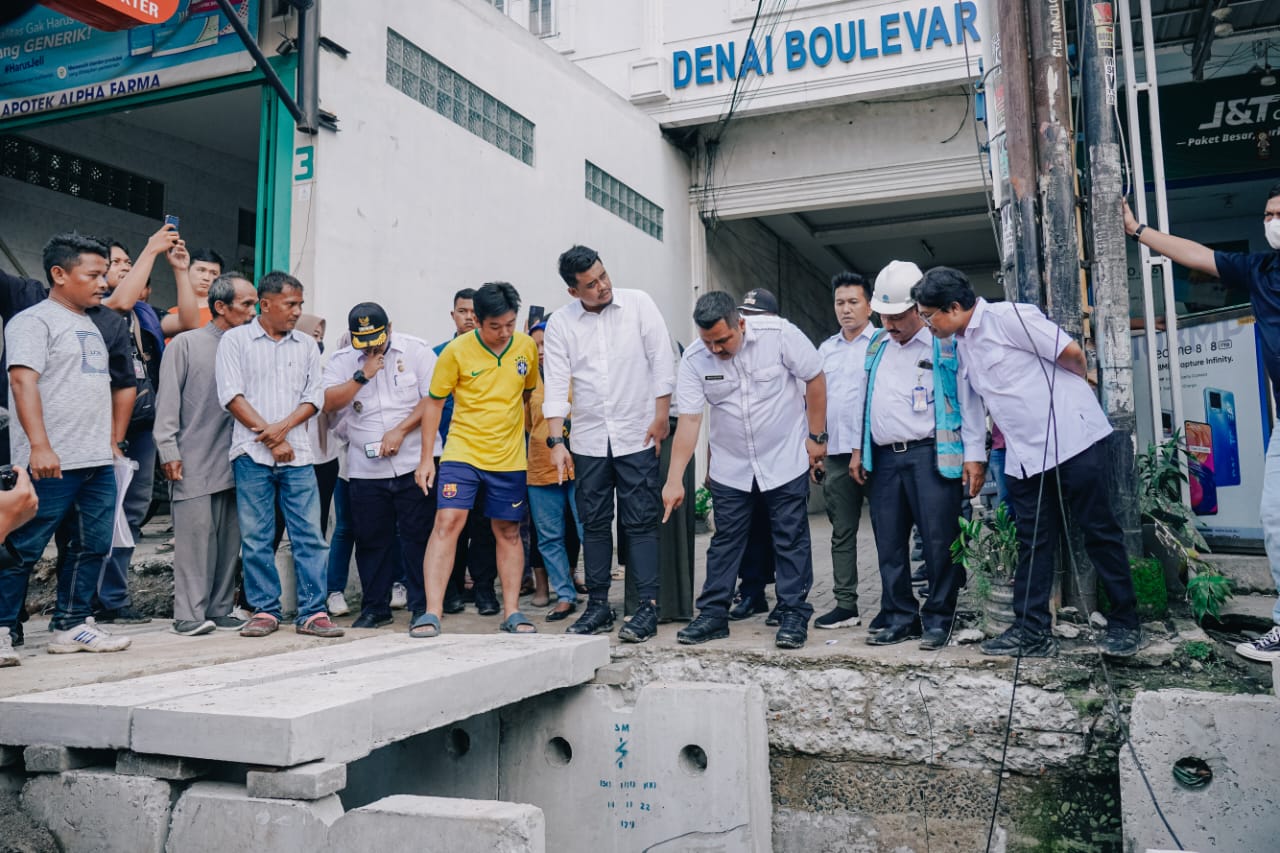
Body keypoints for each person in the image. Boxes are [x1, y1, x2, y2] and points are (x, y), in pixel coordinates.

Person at [912, 265, 1142, 657]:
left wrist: (1068, 400)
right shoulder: (961, 343)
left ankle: (1125, 624)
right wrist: (976, 458)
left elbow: (1069, 354)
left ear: (953, 307)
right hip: (1023, 455)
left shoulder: (1008, 317)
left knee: (1098, 531)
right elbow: (973, 408)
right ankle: (1032, 630)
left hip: (1073, 439)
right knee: (1032, 542)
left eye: (927, 315)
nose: (925, 323)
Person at [1123, 193, 1280, 662]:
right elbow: (1197, 255)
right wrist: (1137, 231)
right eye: (1268, 213)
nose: (1272, 221)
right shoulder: (1261, 270)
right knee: (1275, 521)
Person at [662, 291, 827, 650]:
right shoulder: (694, 359)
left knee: (790, 537)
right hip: (731, 465)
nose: (717, 350)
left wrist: (816, 437)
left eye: (723, 340)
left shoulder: (779, 335)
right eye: (709, 343)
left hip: (783, 457)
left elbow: (814, 377)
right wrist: (675, 478)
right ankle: (712, 615)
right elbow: (690, 421)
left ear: (741, 323)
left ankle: (794, 613)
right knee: (725, 542)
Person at [0, 234, 131, 657]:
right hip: (48, 461)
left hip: (95, 460)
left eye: (104, 274)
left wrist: (110, 444)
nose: (104, 283)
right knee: (22, 549)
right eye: (93, 275)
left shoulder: (91, 323)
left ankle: (73, 624)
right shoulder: (32, 321)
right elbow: (22, 381)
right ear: (59, 274)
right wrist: (39, 446)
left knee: (91, 545)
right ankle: (2, 629)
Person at [848, 261, 987, 649]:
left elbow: (969, 400)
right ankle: (899, 616)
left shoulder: (946, 343)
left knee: (940, 540)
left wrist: (974, 454)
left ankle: (940, 617)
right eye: (883, 316)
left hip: (932, 455)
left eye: (898, 317)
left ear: (918, 309)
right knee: (889, 543)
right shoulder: (876, 344)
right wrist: (859, 449)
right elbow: (863, 398)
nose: (889, 325)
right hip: (885, 459)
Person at [543, 245, 675, 642]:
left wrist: (661, 416)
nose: (602, 286)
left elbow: (662, 361)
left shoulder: (639, 304)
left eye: (603, 276)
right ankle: (598, 606)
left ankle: (646, 607)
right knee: (595, 523)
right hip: (588, 439)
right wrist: (555, 440)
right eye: (591, 283)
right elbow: (556, 383)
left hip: (638, 433)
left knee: (640, 521)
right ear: (573, 291)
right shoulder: (561, 324)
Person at [216, 270, 344, 639]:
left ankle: (313, 611)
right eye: (290, 304)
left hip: (299, 457)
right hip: (251, 455)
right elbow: (231, 396)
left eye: (300, 304)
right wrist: (273, 439)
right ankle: (265, 610)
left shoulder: (305, 345)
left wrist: (281, 431)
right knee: (257, 536)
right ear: (266, 303)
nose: (296, 311)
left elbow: (313, 399)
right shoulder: (236, 341)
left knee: (308, 536)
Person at [412, 282, 540, 638]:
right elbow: (434, 404)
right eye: (494, 326)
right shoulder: (455, 352)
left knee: (508, 531)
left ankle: (512, 611)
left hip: (508, 457)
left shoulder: (526, 348)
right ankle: (432, 612)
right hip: (462, 451)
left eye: (510, 324)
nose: (503, 333)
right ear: (476, 320)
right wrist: (426, 459)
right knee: (447, 522)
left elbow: (529, 394)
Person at [155, 273, 259, 635]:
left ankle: (220, 607)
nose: (253, 311)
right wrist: (168, 449)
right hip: (193, 458)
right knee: (194, 539)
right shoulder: (185, 344)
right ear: (220, 307)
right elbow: (166, 403)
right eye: (246, 304)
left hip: (238, 459)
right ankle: (188, 614)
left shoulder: (251, 347)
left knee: (229, 539)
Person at [324, 302, 438, 628]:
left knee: (417, 538)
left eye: (377, 337)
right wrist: (363, 375)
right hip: (365, 468)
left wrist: (400, 430)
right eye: (363, 341)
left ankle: (422, 607)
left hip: (413, 462)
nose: (372, 346)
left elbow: (433, 399)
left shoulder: (415, 351)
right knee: (371, 540)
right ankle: (375, 608)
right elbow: (327, 402)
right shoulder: (343, 361)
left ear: (389, 328)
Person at [813, 272, 877, 631]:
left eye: (853, 302)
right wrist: (817, 449)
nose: (846, 309)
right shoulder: (825, 350)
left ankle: (898, 604)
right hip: (836, 454)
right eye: (840, 303)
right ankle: (846, 605)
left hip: (876, 452)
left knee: (889, 531)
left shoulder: (883, 341)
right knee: (842, 532)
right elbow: (817, 402)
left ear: (869, 305)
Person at [435, 287, 498, 615]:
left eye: (475, 312)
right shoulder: (437, 354)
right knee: (451, 526)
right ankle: (451, 591)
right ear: (453, 315)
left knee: (486, 527)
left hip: (490, 456)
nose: (469, 317)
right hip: (450, 456)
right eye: (463, 311)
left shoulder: (495, 355)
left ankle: (485, 590)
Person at [727, 289, 780, 624]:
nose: (749, 324)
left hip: (779, 460)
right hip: (740, 462)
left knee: (783, 532)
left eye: (755, 317)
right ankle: (752, 594)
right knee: (748, 531)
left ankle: (788, 601)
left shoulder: (785, 355)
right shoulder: (731, 356)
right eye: (745, 316)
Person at [525, 321, 584, 622]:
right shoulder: (528, 381)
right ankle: (564, 595)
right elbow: (524, 423)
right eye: (535, 346)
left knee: (588, 526)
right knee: (548, 536)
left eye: (547, 344)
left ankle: (598, 593)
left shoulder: (578, 373)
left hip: (579, 459)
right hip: (540, 462)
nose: (542, 351)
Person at [164, 248, 223, 335]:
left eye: (213, 273)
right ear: (187, 270)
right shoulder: (171, 313)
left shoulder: (221, 315)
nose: (206, 277)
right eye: (201, 270)